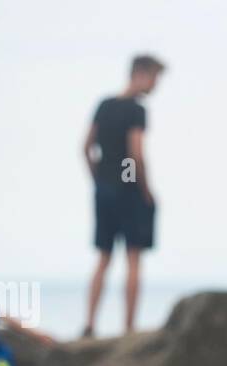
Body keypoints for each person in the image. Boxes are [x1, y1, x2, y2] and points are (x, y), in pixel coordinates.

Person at [82, 53, 165, 337]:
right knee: (133, 257)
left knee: (104, 257)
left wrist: (99, 180)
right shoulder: (136, 110)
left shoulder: (104, 105)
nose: (155, 85)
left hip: (104, 190)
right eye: (155, 78)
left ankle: (90, 324)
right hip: (128, 192)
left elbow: (86, 147)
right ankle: (128, 328)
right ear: (140, 74)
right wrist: (144, 188)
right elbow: (136, 154)